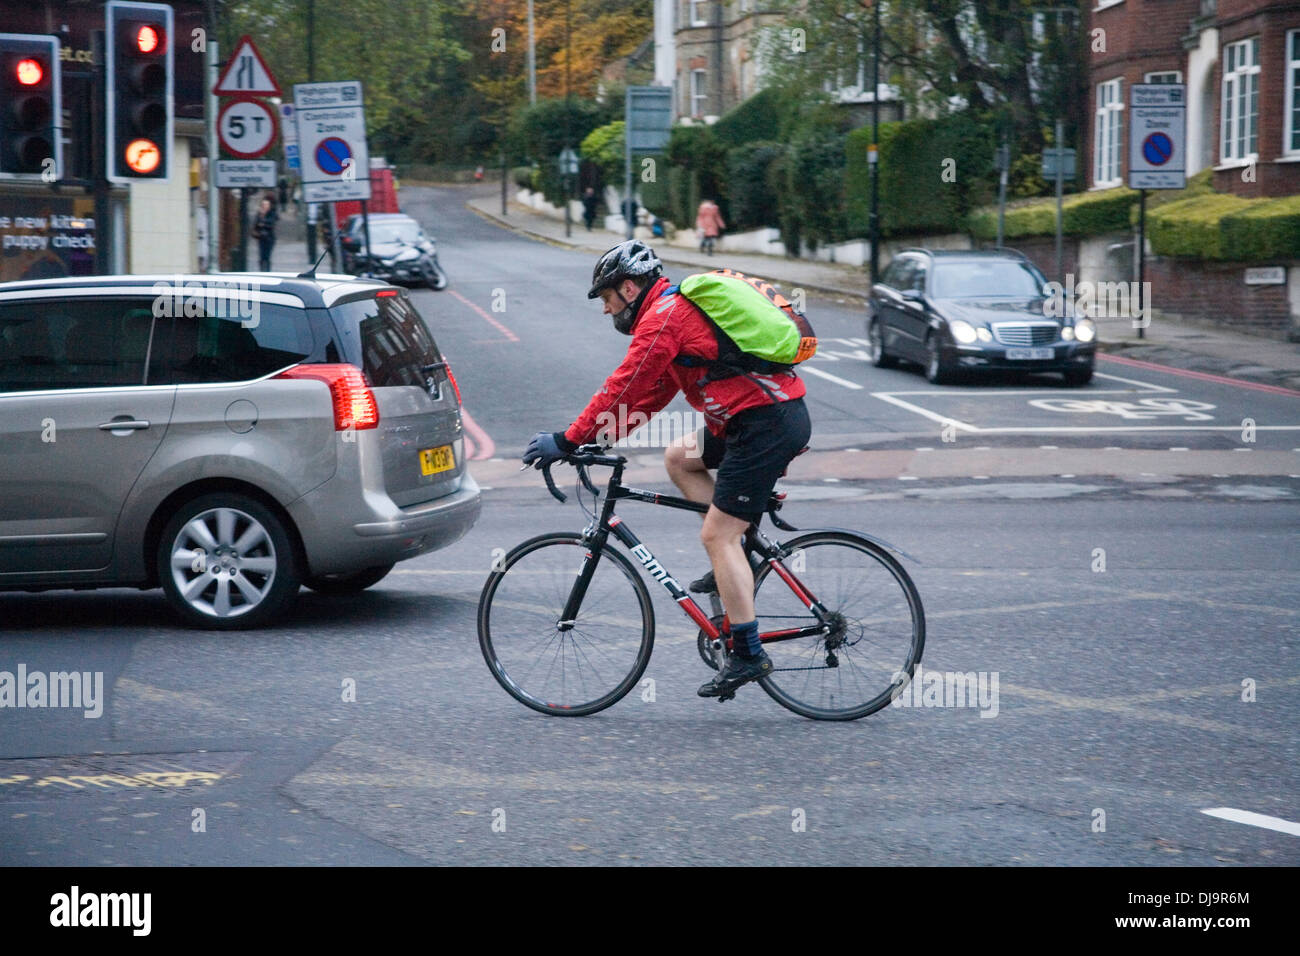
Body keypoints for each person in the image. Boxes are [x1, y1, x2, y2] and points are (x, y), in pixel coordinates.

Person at [521, 240, 812, 700]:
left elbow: (624, 384)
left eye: (606, 298)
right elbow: (648, 395)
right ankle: (732, 562)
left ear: (630, 288)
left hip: (764, 424)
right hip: (748, 419)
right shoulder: (670, 315)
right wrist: (594, 442)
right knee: (679, 457)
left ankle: (749, 653)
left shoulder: (662, 319)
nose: (605, 310)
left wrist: (567, 439)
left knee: (718, 535)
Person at [252, 194, 278, 271]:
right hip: (261, 237)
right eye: (263, 205)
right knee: (261, 257)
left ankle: (268, 271)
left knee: (267, 256)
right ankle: (261, 271)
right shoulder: (259, 214)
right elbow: (256, 224)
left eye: (266, 205)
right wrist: (262, 218)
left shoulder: (272, 213)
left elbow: (271, 224)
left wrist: (262, 223)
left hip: (269, 238)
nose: (264, 206)